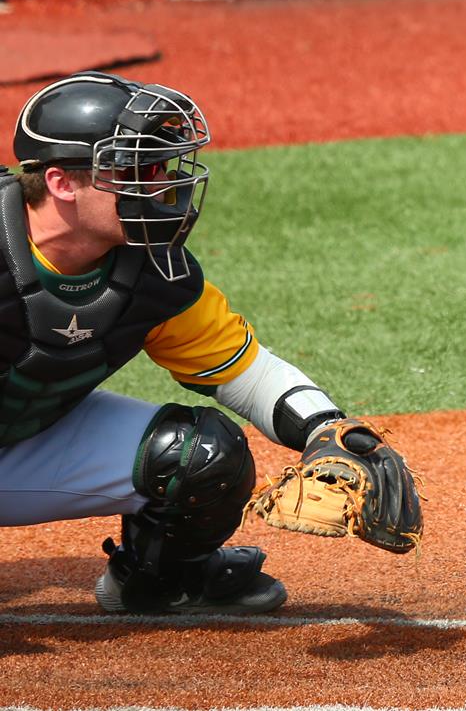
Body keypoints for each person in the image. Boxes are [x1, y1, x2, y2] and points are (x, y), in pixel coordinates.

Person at [0, 72, 413, 613]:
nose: (163, 185)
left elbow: (250, 373)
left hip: (23, 444)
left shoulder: (153, 272)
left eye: (163, 167)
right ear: (61, 182)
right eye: (139, 169)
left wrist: (328, 430)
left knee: (203, 456)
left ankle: (159, 580)